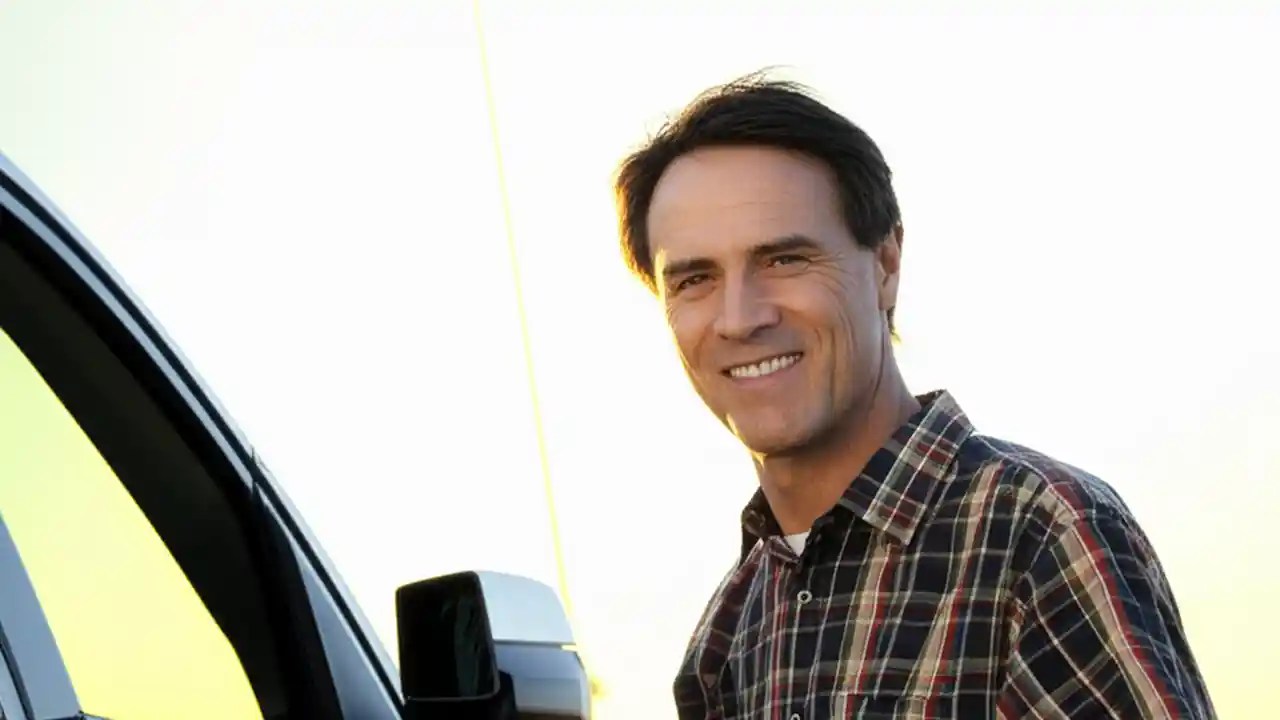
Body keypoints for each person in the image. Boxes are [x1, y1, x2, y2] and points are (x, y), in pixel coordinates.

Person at [612, 73, 1216, 719]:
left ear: (887, 263)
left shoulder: (1039, 537)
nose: (739, 317)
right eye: (695, 279)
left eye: (784, 260)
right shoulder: (727, 634)